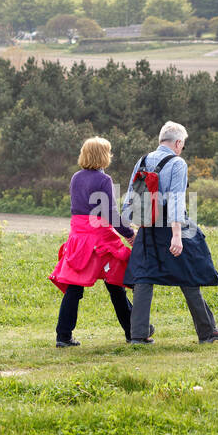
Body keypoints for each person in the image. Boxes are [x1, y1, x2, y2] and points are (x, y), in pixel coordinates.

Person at [123, 121, 218, 345]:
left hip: (146, 227)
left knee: (144, 277)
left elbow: (130, 198)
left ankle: (138, 336)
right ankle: (207, 331)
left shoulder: (142, 160)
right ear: (178, 142)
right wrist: (177, 235)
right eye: (183, 144)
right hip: (170, 227)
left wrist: (133, 225)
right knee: (188, 273)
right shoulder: (177, 163)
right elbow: (175, 201)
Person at [48, 136, 149, 347]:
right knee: (115, 285)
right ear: (102, 155)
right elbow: (109, 213)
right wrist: (129, 233)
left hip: (78, 238)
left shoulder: (76, 177)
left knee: (74, 289)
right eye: (108, 152)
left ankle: (63, 336)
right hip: (99, 240)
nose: (110, 156)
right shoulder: (104, 180)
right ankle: (133, 332)